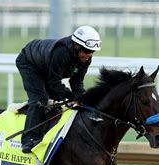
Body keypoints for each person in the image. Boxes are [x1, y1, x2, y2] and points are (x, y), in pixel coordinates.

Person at [16, 25, 102, 153]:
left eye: (92, 52)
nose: (89, 55)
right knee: (40, 99)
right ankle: (29, 138)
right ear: (76, 45)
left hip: (46, 66)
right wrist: (72, 97)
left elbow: (77, 82)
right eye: (86, 50)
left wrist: (83, 99)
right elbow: (54, 82)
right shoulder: (61, 53)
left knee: (56, 99)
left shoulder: (85, 58)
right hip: (29, 63)